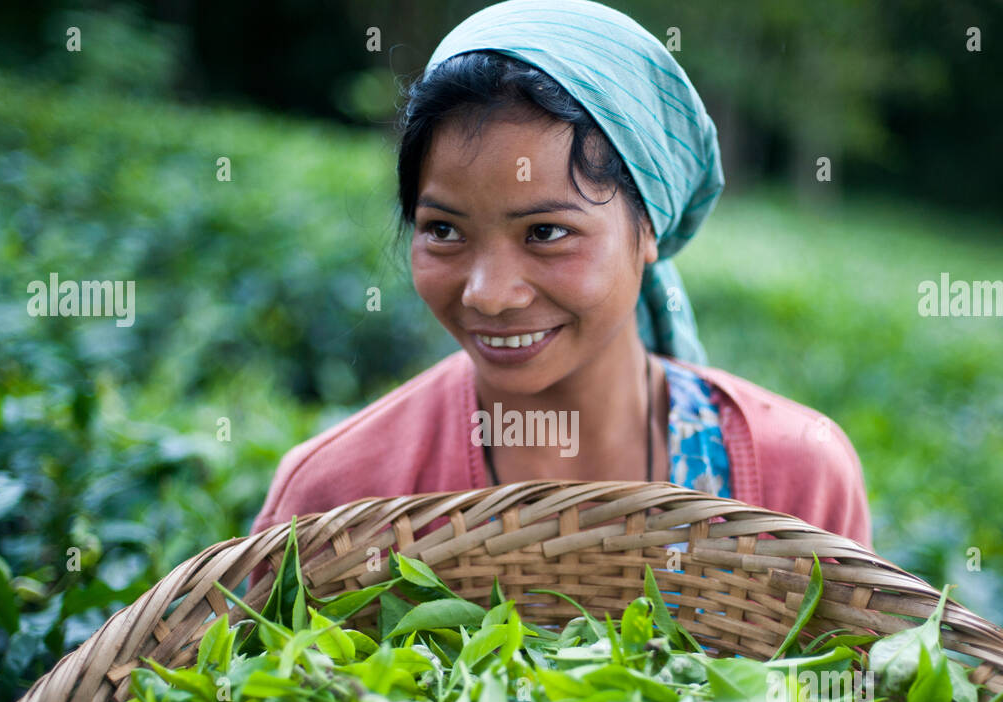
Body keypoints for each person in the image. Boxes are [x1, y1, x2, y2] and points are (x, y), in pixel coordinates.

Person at [249, 0, 872, 582]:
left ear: (648, 225)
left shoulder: (800, 477)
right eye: (443, 230)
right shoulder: (337, 496)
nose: (489, 295)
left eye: (546, 232)